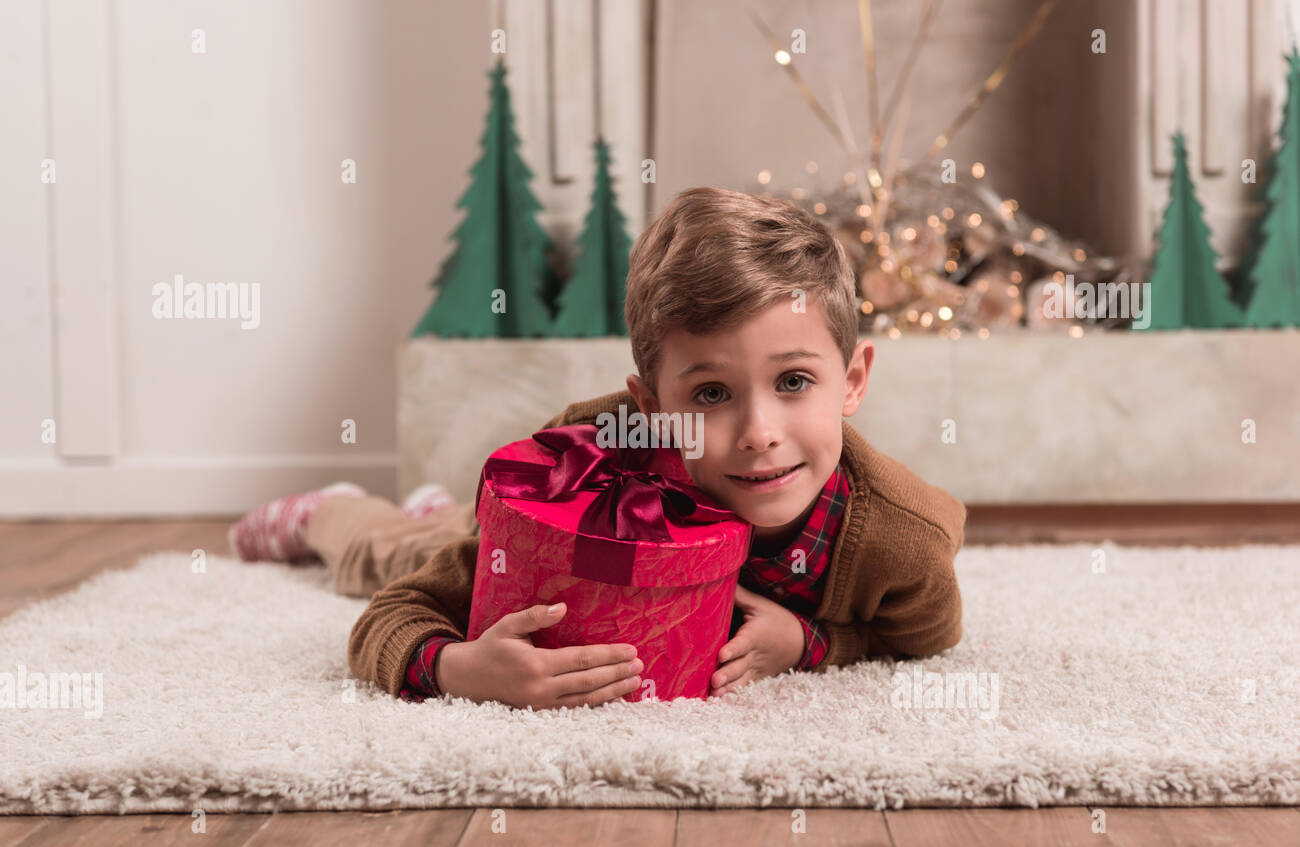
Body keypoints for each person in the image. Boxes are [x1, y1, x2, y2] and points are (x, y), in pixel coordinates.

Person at [231, 185, 967, 711]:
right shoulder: (587, 461)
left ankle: (437, 509)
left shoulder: (897, 537)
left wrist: (811, 642)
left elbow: (924, 638)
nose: (759, 431)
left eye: (794, 381)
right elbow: (393, 615)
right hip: (538, 537)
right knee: (389, 554)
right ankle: (331, 511)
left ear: (853, 380)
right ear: (651, 407)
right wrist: (461, 669)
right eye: (711, 394)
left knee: (435, 525)